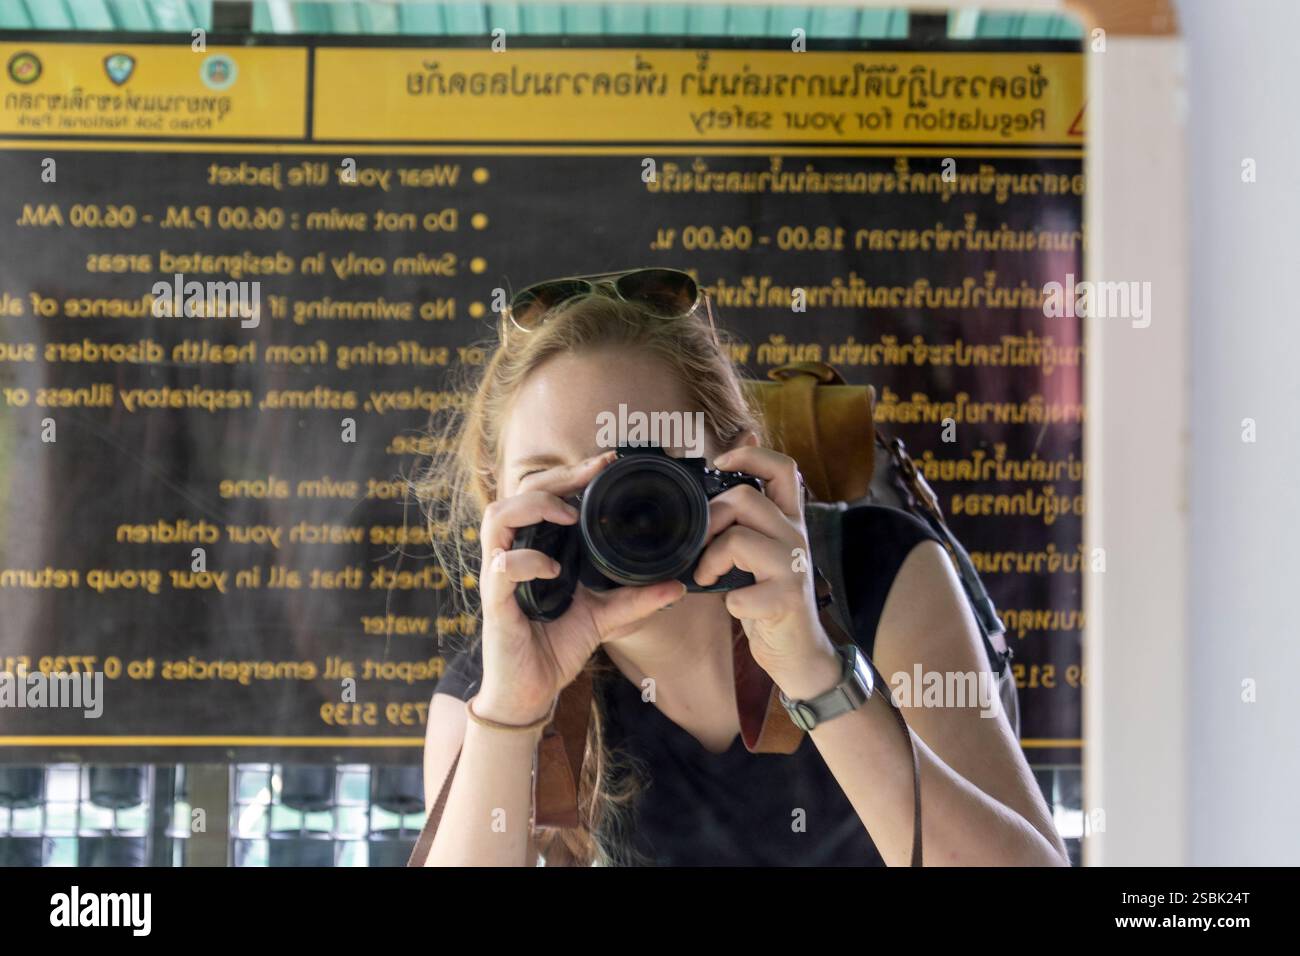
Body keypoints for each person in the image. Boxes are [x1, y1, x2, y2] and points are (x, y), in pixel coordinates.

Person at [413, 269, 1068, 866]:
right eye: (553, 480)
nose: (602, 516)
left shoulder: (875, 576)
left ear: (735, 469)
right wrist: (513, 713)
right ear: (498, 503)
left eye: (642, 471)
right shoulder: (487, 692)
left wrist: (815, 668)